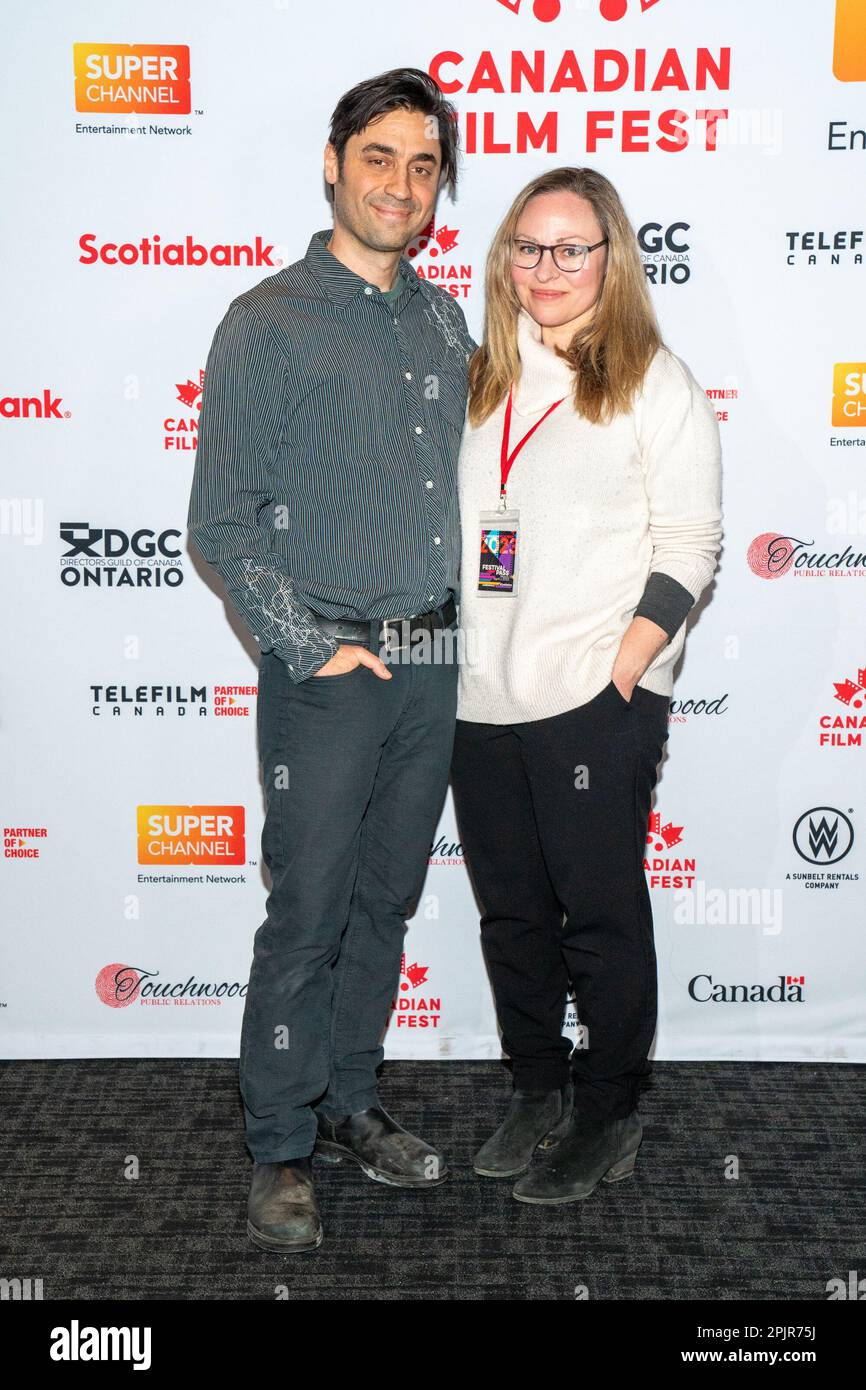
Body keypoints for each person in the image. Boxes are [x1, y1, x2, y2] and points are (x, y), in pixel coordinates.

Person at [187, 68, 476, 1252]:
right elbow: (221, 524)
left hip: (432, 651)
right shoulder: (266, 319)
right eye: (378, 158)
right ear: (331, 162)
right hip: (328, 667)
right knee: (306, 911)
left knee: (384, 900)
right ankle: (277, 1141)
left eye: (422, 166)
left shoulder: (445, 318)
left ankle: (351, 1099)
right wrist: (314, 649)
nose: (399, 185)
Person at [450, 166, 723, 1205]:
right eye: (528, 246)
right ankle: (535, 1087)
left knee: (596, 915)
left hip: (591, 702)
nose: (547, 267)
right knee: (509, 912)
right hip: (479, 699)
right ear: (503, 258)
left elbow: (689, 543)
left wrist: (625, 667)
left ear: (609, 257)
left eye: (571, 247)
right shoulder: (481, 377)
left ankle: (607, 1107)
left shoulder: (651, 378)